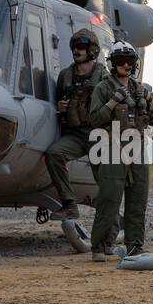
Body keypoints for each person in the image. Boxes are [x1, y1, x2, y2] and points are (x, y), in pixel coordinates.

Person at [87, 41, 153, 261]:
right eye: (120, 61)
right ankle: (100, 246)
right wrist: (112, 102)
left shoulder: (139, 88)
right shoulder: (103, 88)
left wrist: (149, 101)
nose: (126, 65)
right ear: (113, 64)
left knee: (138, 198)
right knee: (110, 198)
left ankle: (135, 245)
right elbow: (95, 119)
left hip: (136, 146)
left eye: (129, 61)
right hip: (111, 147)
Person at [46, 29, 108, 221]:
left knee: (105, 178)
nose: (76, 51)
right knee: (54, 154)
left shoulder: (104, 78)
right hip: (76, 135)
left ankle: (109, 214)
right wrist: (60, 106)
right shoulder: (65, 75)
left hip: (98, 135)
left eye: (81, 47)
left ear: (92, 50)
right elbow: (56, 102)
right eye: (74, 47)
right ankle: (69, 204)